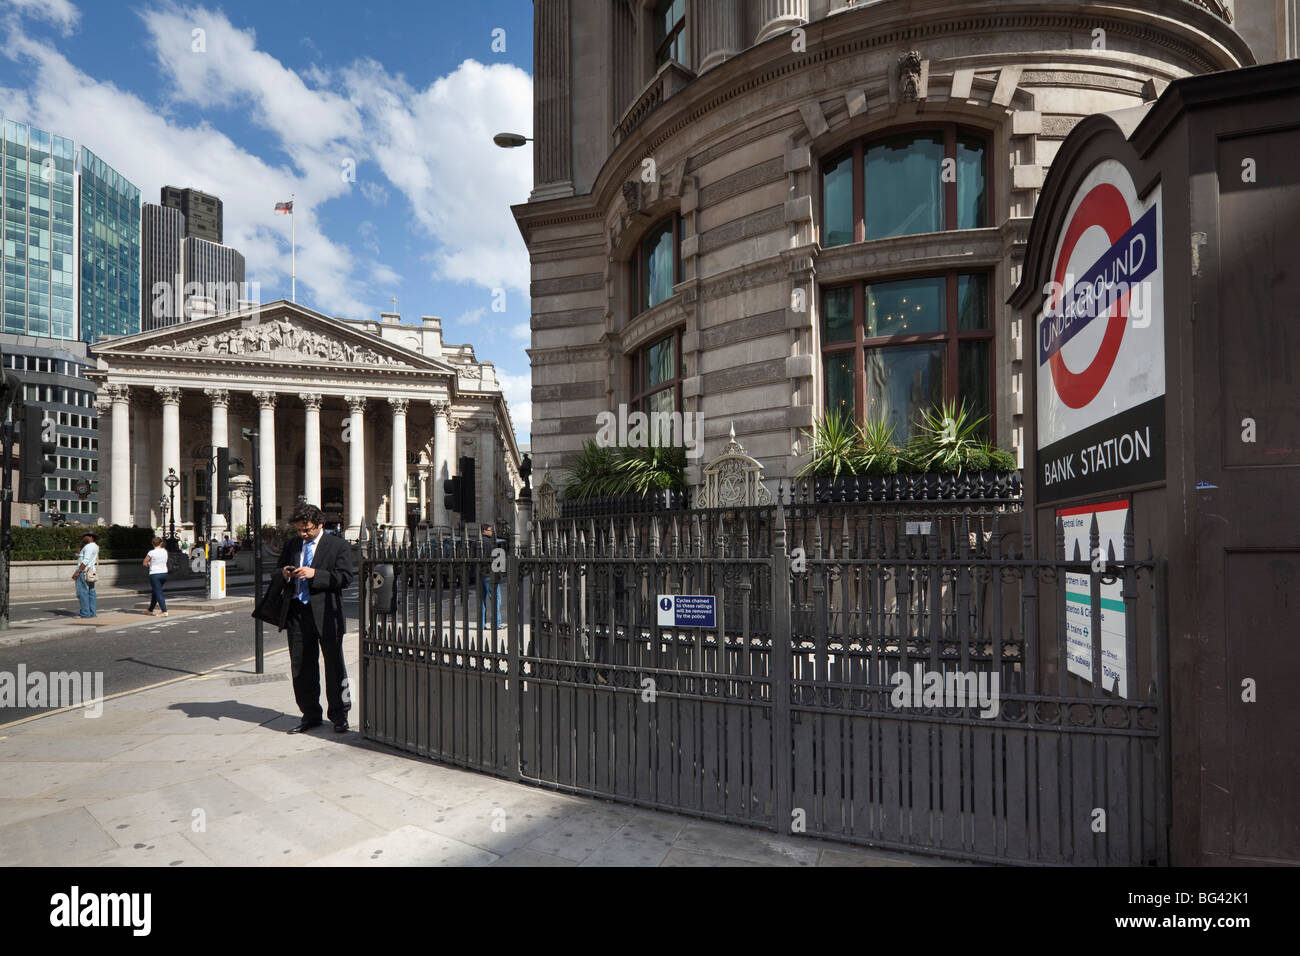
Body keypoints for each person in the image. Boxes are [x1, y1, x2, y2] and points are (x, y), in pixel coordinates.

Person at [276, 502, 355, 734]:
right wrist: (284, 573)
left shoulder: (337, 545)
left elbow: (345, 578)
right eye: (299, 530)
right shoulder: (292, 544)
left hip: (326, 614)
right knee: (301, 666)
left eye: (307, 529)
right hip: (298, 613)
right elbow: (279, 569)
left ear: (320, 524)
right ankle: (310, 714)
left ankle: (339, 715)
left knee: (334, 665)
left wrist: (315, 574)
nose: (303, 534)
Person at [72, 530, 99, 618]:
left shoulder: (89, 547)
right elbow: (80, 555)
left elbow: (85, 560)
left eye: (85, 536)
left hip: (84, 572)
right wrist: (81, 545)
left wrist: (77, 572)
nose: (83, 538)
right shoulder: (95, 546)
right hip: (91, 572)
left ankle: (85, 613)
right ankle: (92, 612)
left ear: (90, 536)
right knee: (91, 592)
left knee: (82, 592)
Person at [142, 536, 170, 616]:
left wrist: (150, 564)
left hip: (155, 574)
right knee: (155, 591)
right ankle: (150, 610)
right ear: (161, 543)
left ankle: (164, 611)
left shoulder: (151, 552)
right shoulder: (165, 551)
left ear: (152, 543)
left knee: (158, 592)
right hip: (164, 573)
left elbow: (144, 563)